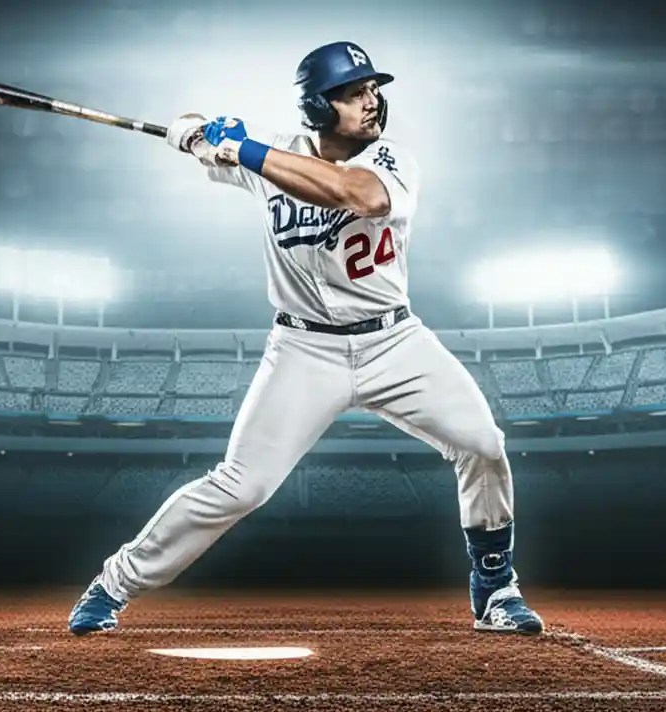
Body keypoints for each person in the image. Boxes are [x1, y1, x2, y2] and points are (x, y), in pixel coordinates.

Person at [69, 41, 542, 636]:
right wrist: (195, 134)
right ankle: (114, 583)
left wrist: (242, 147)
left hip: (394, 343)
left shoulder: (392, 159)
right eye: (354, 93)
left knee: (483, 444)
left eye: (374, 89)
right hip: (302, 351)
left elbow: (354, 193)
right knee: (240, 487)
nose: (372, 102)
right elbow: (202, 133)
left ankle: (496, 587)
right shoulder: (273, 158)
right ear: (318, 107)